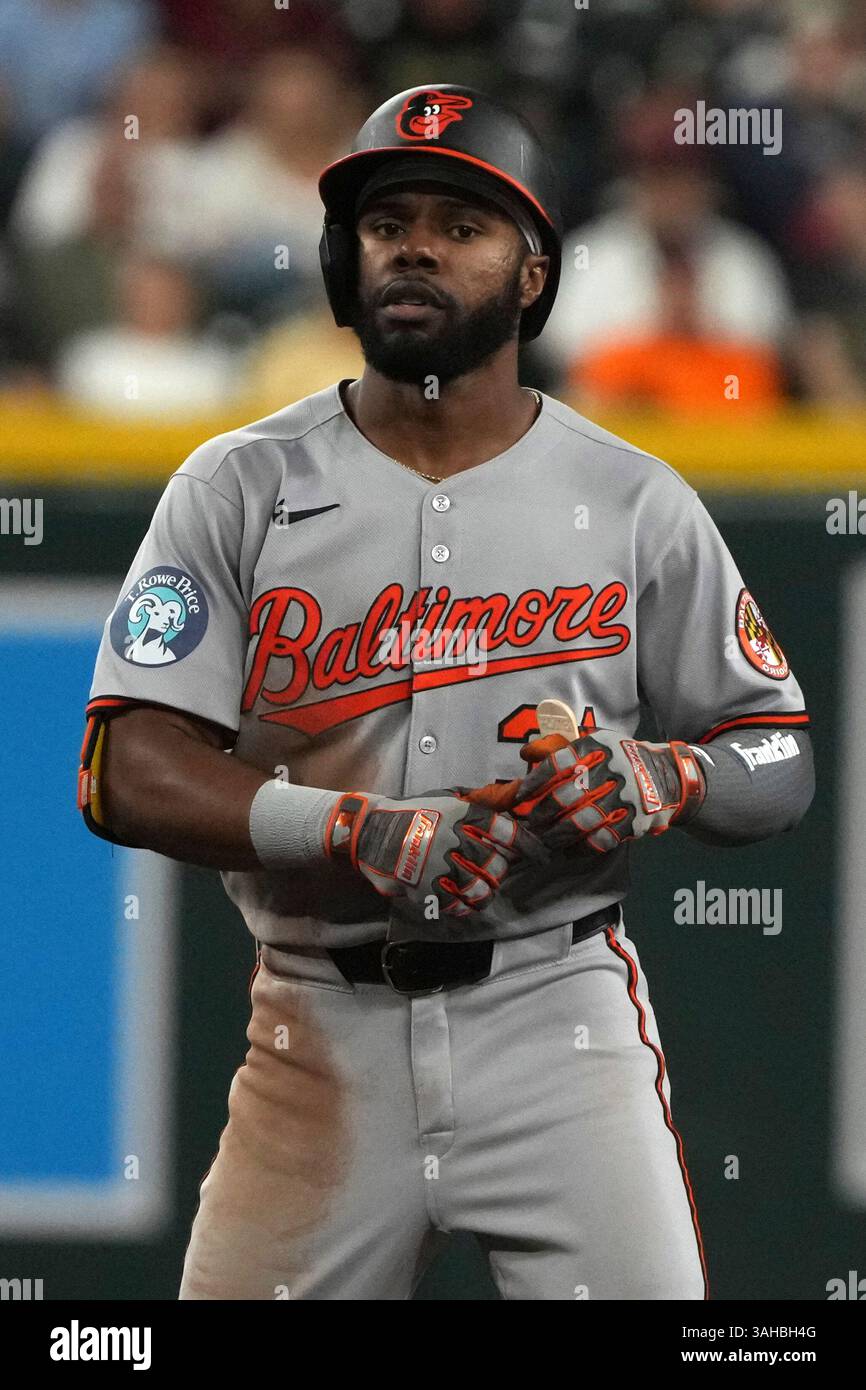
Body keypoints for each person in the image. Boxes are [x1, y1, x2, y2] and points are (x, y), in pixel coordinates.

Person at [79, 85, 814, 1301]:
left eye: (460, 225)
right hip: (314, 1031)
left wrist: (662, 775)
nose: (412, 244)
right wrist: (361, 828)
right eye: (386, 221)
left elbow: (777, 754)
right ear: (341, 258)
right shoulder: (237, 485)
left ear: (532, 276)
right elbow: (122, 767)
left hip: (555, 1014)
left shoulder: (632, 498)